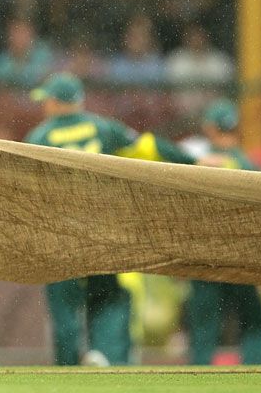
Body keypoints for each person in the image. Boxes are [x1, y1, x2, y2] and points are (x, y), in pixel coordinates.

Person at [25, 73, 198, 366]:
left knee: (64, 306)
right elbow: (150, 147)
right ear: (78, 101)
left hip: (59, 236)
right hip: (101, 232)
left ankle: (65, 374)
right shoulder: (104, 128)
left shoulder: (39, 137)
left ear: (54, 102)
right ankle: (107, 359)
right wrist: (192, 165)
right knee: (108, 298)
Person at [184, 100, 261, 365]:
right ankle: (254, 380)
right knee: (255, 324)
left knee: (203, 328)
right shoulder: (249, 166)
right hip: (240, 256)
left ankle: (196, 385)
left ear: (210, 128)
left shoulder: (194, 161)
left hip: (204, 254)